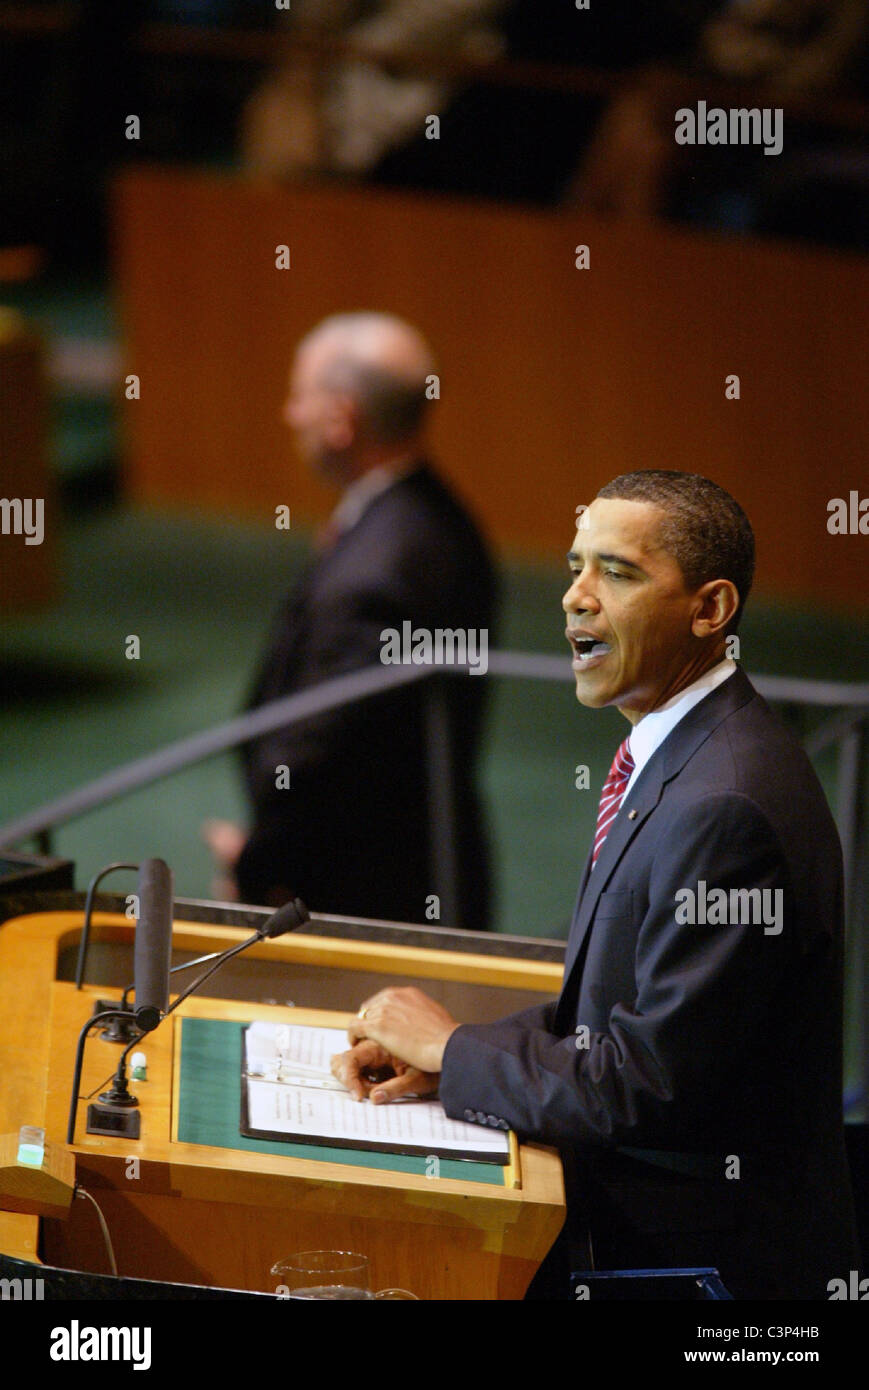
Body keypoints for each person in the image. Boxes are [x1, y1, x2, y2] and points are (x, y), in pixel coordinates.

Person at [332, 470, 861, 1299]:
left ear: (709, 609)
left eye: (616, 572)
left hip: (710, 1277)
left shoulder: (724, 806)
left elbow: (647, 1085)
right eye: (576, 566)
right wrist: (458, 1064)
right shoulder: (679, 756)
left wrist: (454, 1048)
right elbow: (612, 1013)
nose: (575, 598)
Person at [205, 312, 498, 929]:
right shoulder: (436, 519)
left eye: (299, 396)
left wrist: (258, 863)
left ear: (340, 419)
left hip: (362, 897)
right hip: (415, 865)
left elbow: (325, 756)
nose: (289, 415)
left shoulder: (379, 572)